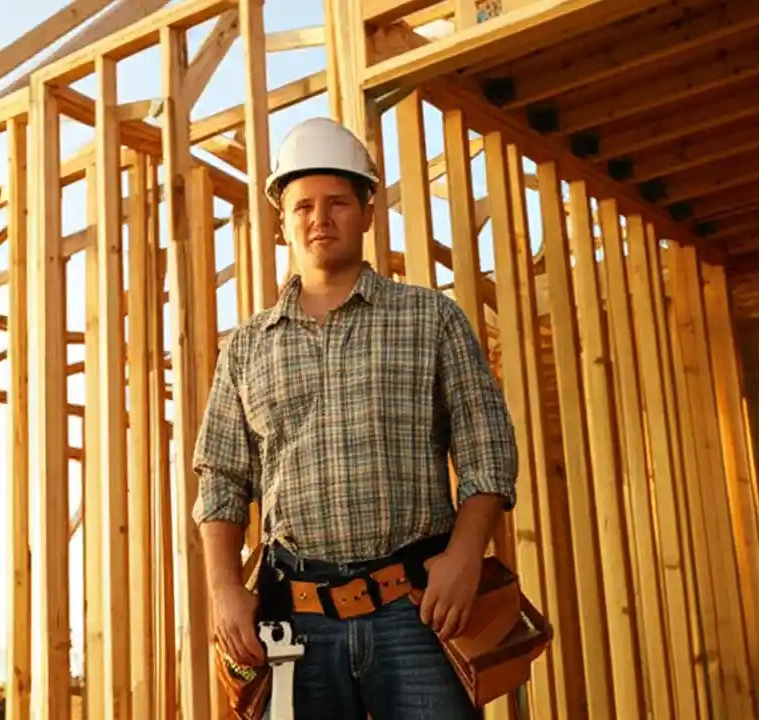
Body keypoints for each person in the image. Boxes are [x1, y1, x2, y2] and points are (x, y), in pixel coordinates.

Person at [192, 116, 518, 719]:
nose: (320, 218)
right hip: (294, 624)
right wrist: (223, 588)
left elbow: (488, 449)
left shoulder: (431, 319)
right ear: (283, 221)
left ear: (368, 210)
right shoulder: (246, 348)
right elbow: (221, 480)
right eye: (304, 205)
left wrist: (467, 554)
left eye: (338, 202)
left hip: (418, 610)